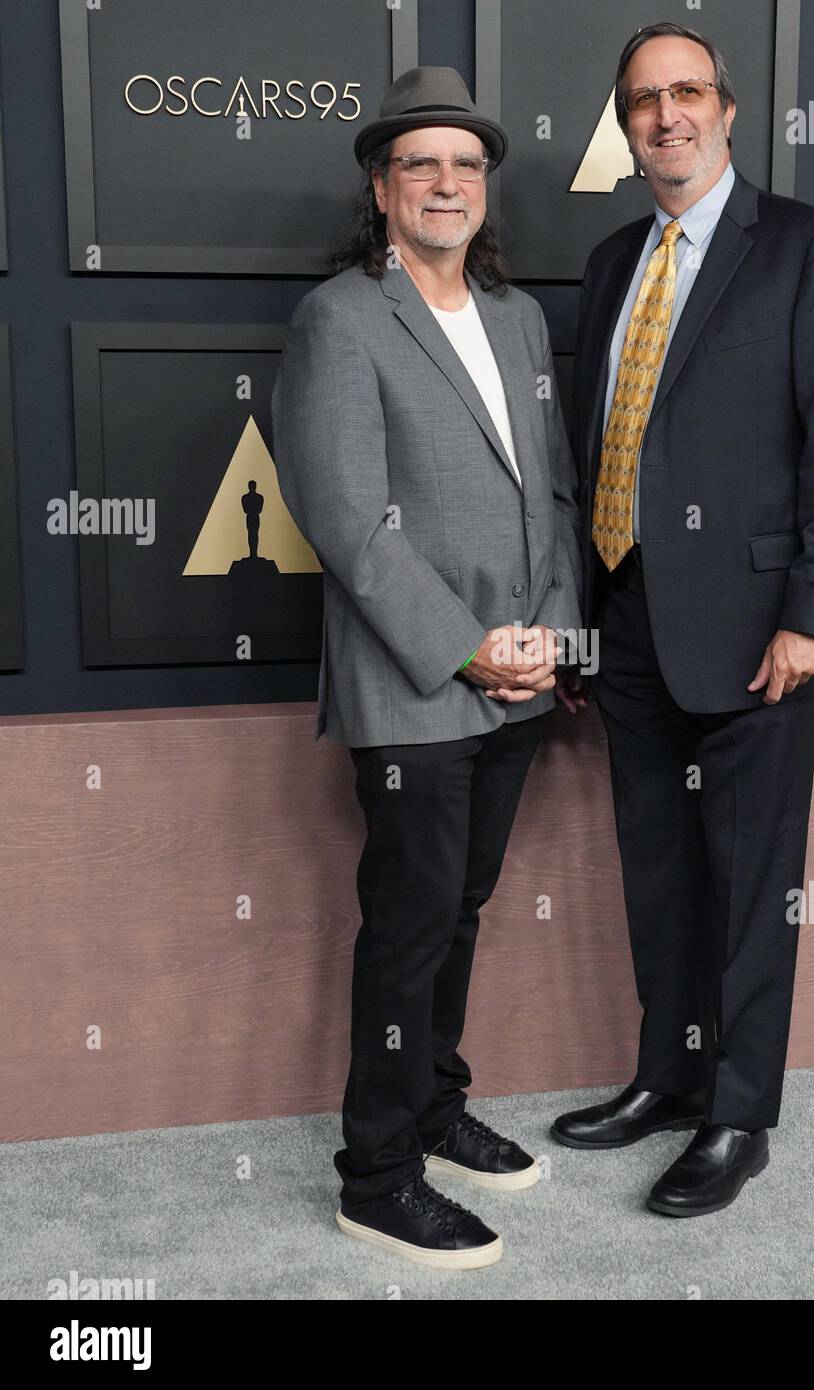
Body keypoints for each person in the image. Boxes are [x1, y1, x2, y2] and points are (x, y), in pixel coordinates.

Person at [552, 22, 814, 1218]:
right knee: (657, 875)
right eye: (642, 99)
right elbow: (596, 448)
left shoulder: (804, 247)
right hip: (628, 617)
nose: (666, 116)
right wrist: (587, 617)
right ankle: (669, 1077)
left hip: (758, 633)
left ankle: (738, 1115)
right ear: (624, 122)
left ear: (727, 110)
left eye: (686, 91)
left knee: (749, 882)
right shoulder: (608, 263)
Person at [272, 66, 581, 1268]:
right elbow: (345, 516)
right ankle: (378, 1172)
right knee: (406, 927)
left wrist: (546, 631)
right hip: (416, 685)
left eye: (464, 164)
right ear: (380, 185)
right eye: (419, 164)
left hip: (519, 677)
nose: (444, 183)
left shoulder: (515, 317)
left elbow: (548, 491)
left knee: (460, 909)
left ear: (483, 187)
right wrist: (466, 646)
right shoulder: (342, 316)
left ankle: (436, 1104)